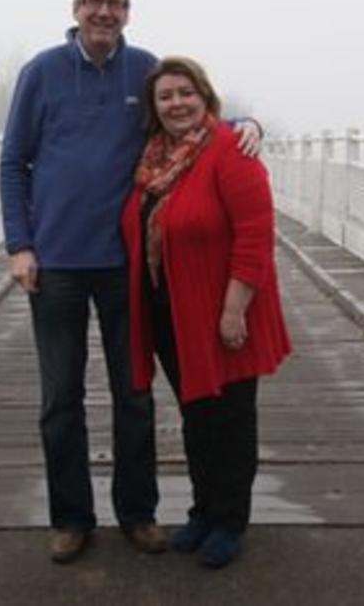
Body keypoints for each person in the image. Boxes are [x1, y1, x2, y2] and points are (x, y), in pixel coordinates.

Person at [0, 0, 261, 564]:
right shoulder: (41, 72)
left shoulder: (142, 69)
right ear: (76, 7)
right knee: (60, 398)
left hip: (127, 265)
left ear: (128, 12)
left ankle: (137, 513)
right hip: (55, 265)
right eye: (94, 1)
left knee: (134, 394)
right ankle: (71, 518)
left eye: (115, 3)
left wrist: (246, 125)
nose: (104, 12)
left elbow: (187, 114)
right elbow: (13, 162)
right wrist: (19, 244)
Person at [120, 56, 291, 569]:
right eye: (165, 96)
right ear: (154, 107)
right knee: (196, 416)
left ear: (205, 96)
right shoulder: (153, 158)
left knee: (231, 419)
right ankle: (203, 511)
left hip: (224, 311)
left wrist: (234, 310)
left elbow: (255, 237)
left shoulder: (231, 150)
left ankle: (229, 520)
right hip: (171, 313)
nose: (177, 103)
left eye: (185, 93)